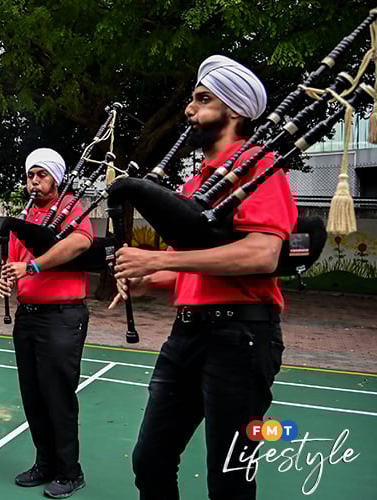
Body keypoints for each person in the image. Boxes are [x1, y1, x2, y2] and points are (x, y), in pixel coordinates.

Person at [110, 55, 297, 500]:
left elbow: (263, 253)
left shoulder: (259, 168)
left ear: (232, 110)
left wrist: (159, 263)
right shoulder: (198, 185)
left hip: (241, 337)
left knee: (229, 479)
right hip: (188, 334)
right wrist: (144, 278)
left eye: (202, 99)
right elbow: (189, 268)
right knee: (150, 459)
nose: (189, 110)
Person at [0, 148, 93, 499]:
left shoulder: (71, 208)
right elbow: (15, 264)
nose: (34, 181)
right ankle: (45, 463)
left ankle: (71, 471)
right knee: (33, 395)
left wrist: (33, 268)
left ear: (56, 177)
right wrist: (6, 280)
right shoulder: (25, 216)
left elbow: (81, 243)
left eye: (41, 175)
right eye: (30, 175)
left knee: (57, 396)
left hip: (62, 315)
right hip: (29, 315)